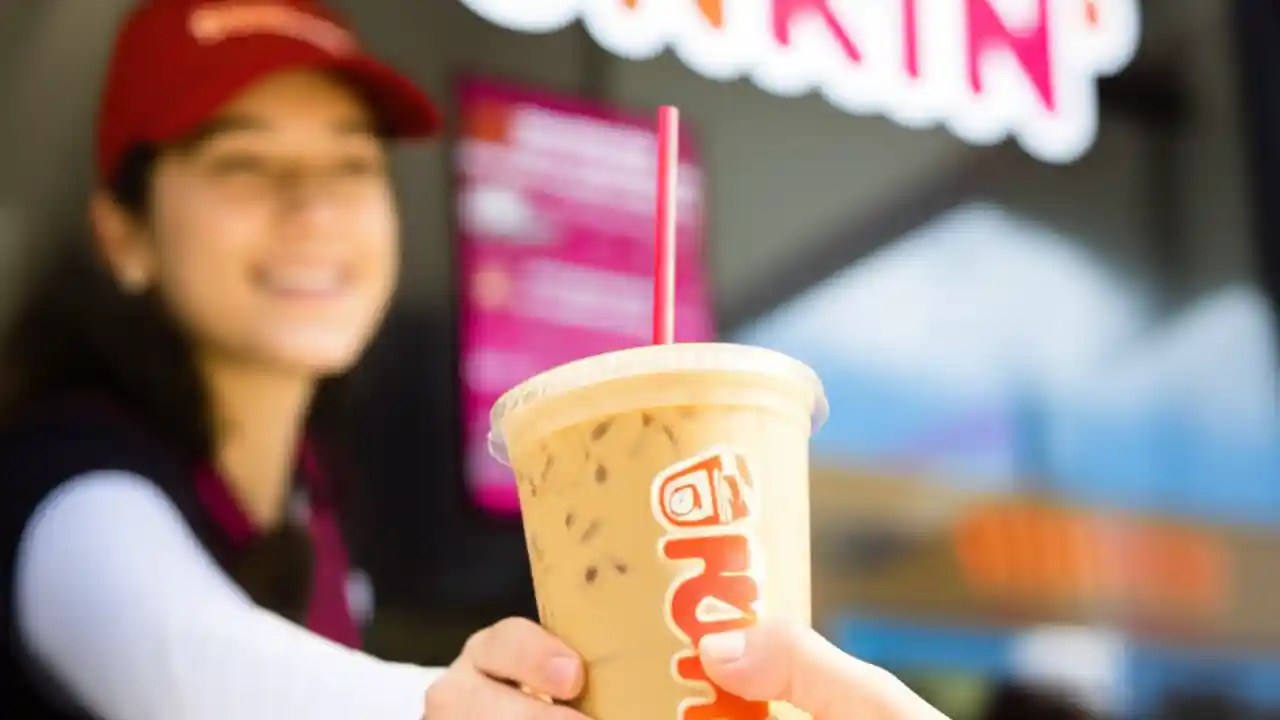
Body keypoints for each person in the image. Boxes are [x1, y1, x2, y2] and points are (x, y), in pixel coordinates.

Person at [0, 1, 956, 719]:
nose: (316, 209)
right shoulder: (61, 469)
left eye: (350, 163)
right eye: (244, 163)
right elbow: (165, 657)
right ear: (122, 233)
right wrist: (432, 706)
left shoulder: (317, 496)